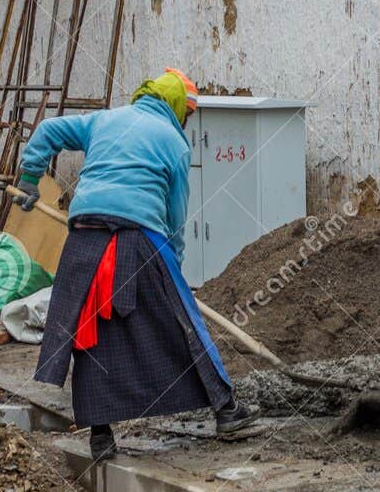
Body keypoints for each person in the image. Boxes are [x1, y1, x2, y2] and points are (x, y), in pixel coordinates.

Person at [14, 69, 258, 462]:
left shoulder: (105, 120)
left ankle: (101, 437)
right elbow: (175, 215)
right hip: (140, 235)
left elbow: (47, 130)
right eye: (188, 115)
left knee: (90, 334)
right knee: (184, 321)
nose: (186, 122)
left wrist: (29, 177)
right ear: (177, 108)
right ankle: (227, 411)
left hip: (84, 238)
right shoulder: (174, 144)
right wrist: (172, 268)